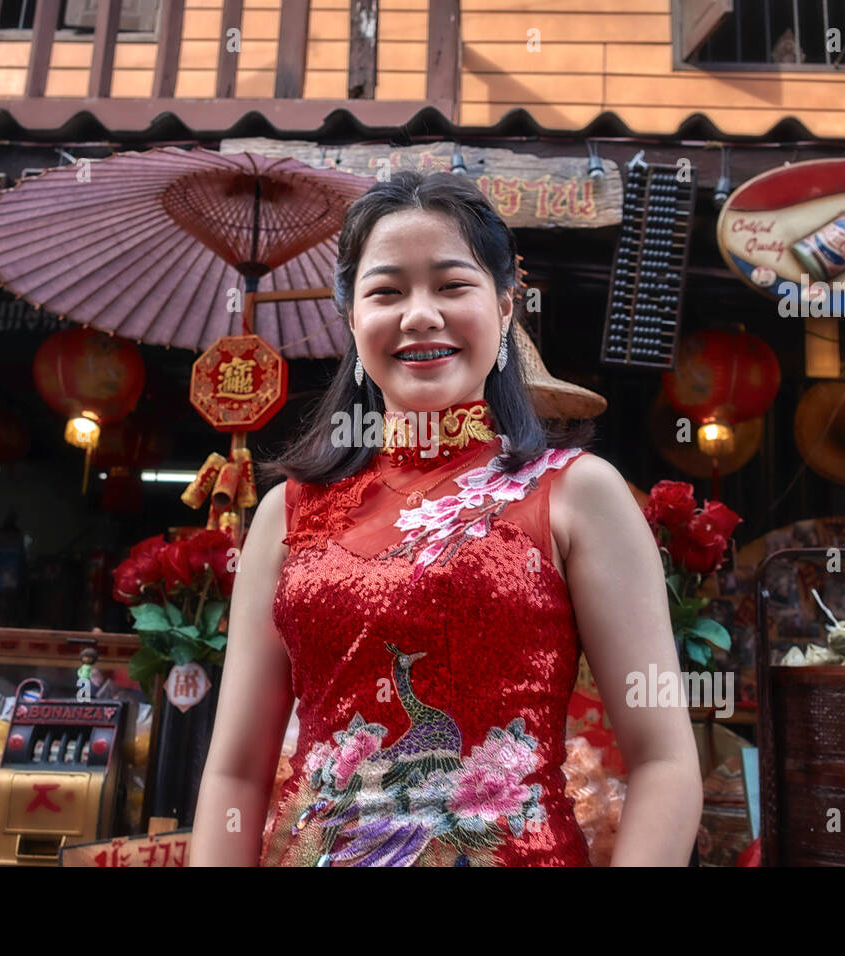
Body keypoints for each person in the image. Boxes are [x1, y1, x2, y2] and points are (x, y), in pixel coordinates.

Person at [190, 171, 702, 866]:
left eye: (451, 285)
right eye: (387, 291)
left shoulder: (583, 495)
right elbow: (236, 775)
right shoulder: (286, 513)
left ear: (504, 305)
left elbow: (666, 761)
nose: (419, 314)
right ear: (351, 319)